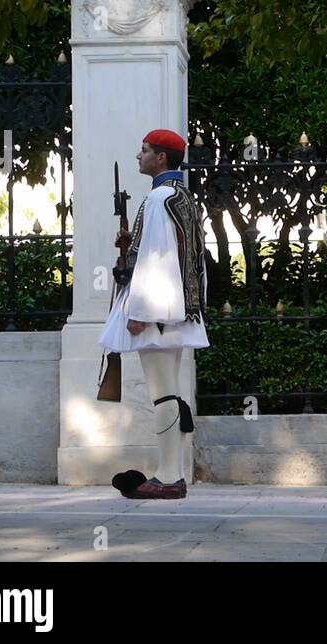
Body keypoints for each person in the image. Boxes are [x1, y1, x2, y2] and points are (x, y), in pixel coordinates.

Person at [98, 129, 209, 499]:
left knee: (163, 396)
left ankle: (168, 477)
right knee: (171, 392)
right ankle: (172, 474)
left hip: (158, 313)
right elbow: (179, 256)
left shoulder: (159, 198)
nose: (138, 155)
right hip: (178, 311)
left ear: (161, 157)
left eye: (144, 150)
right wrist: (130, 245)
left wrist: (141, 311)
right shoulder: (183, 196)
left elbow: (157, 260)